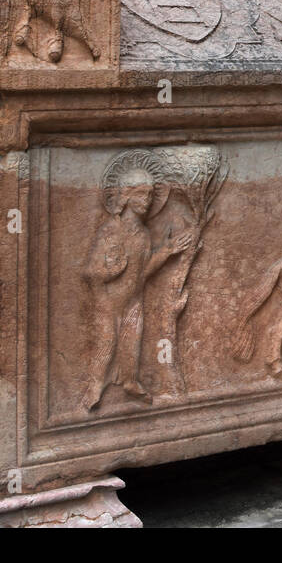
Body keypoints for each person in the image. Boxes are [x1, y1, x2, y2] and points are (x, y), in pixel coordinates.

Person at [82, 165, 192, 410]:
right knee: (106, 346)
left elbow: (142, 273)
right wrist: (108, 272)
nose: (148, 201)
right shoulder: (111, 231)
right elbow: (89, 272)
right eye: (142, 195)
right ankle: (92, 392)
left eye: (151, 195)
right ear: (126, 197)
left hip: (133, 302)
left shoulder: (142, 235)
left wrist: (167, 251)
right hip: (107, 302)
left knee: (131, 345)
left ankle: (130, 383)